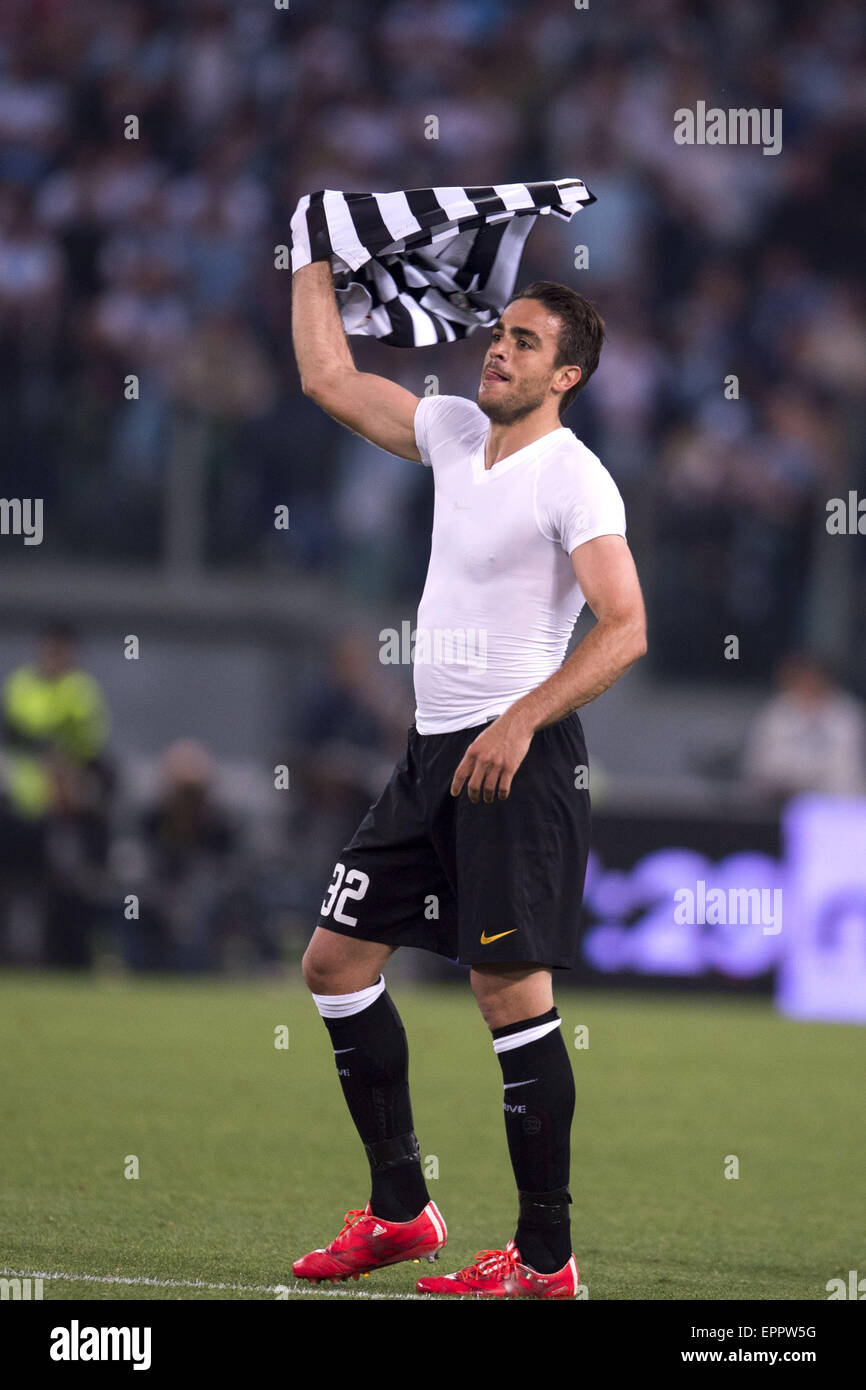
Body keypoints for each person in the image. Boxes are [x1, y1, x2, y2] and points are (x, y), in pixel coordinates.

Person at [290, 261, 646, 1299]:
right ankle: (402, 1210)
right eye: (498, 331)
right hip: (429, 754)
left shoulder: (574, 476)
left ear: (566, 375)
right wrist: (313, 257)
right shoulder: (451, 434)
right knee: (333, 964)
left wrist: (522, 718)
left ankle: (544, 1261)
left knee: (508, 995)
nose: (497, 347)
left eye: (525, 342)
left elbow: (624, 629)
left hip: (516, 762)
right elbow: (327, 376)